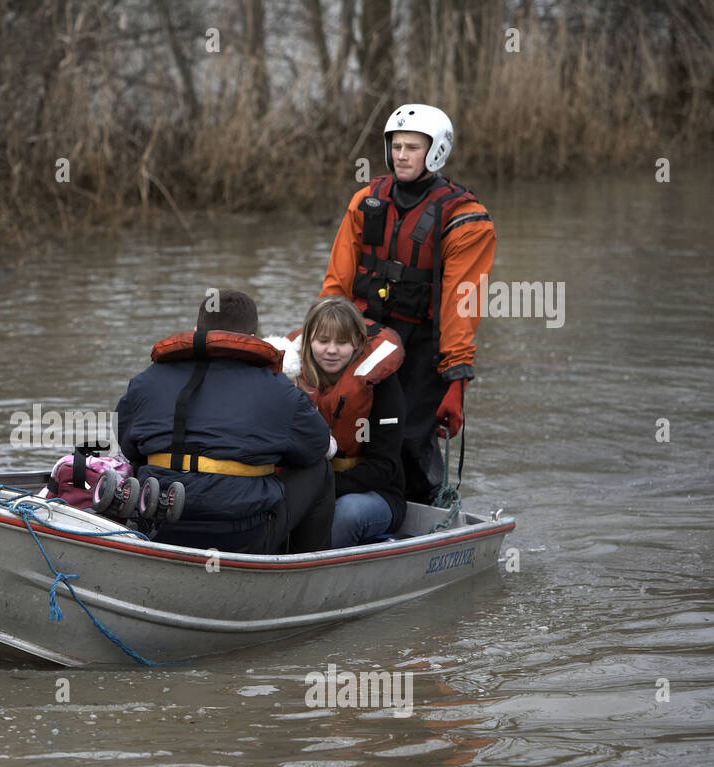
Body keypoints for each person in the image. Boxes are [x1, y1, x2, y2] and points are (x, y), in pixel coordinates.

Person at [320, 103, 496, 503]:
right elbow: (337, 284)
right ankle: (345, 507)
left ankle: (420, 511)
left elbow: (460, 304)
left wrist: (457, 381)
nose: (401, 154)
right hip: (363, 339)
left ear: (434, 152)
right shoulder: (365, 202)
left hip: (422, 350)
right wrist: (322, 337)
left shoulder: (465, 218)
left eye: (412, 147)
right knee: (344, 429)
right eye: (396, 145)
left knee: (406, 440)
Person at [115, 290, 334, 554]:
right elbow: (318, 444)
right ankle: (305, 568)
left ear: (196, 331)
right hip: (241, 536)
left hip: (158, 525)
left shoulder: (147, 379)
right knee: (319, 468)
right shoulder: (279, 390)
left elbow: (127, 445)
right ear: (253, 338)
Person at [292, 297, 406, 548]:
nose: (331, 350)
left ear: (357, 341)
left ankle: (320, 578)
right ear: (308, 340)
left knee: (345, 513)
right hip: (309, 486)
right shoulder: (290, 380)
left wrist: (319, 493)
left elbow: (383, 466)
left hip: (377, 494)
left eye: (342, 342)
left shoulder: (382, 384)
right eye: (323, 341)